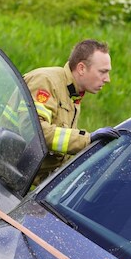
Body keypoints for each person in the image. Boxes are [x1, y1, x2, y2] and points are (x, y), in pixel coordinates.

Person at [22, 39, 114, 185]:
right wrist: (87, 140)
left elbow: (59, 148)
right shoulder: (46, 82)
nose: (107, 79)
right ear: (82, 68)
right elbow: (35, 131)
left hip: (25, 180)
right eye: (103, 72)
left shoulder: (73, 95)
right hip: (5, 174)